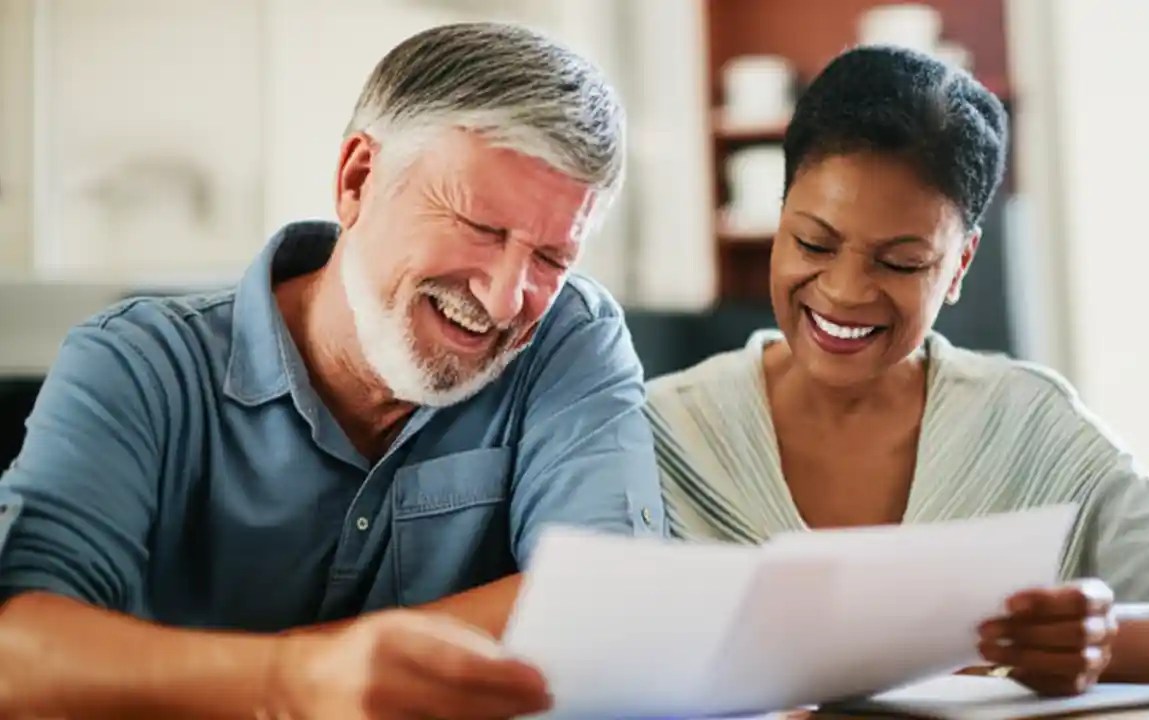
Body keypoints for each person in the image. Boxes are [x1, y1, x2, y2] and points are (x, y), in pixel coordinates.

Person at [0, 22, 665, 719]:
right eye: (481, 228)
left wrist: (267, 673)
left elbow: (611, 607)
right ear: (357, 180)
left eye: (552, 259)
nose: (505, 299)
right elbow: (18, 654)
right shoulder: (138, 365)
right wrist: (290, 681)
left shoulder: (568, 337)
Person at [646, 46, 1149, 697]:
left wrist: (1108, 640)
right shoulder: (661, 432)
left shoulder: (1028, 427)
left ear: (961, 265)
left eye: (902, 262)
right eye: (814, 243)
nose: (846, 292)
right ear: (779, 219)